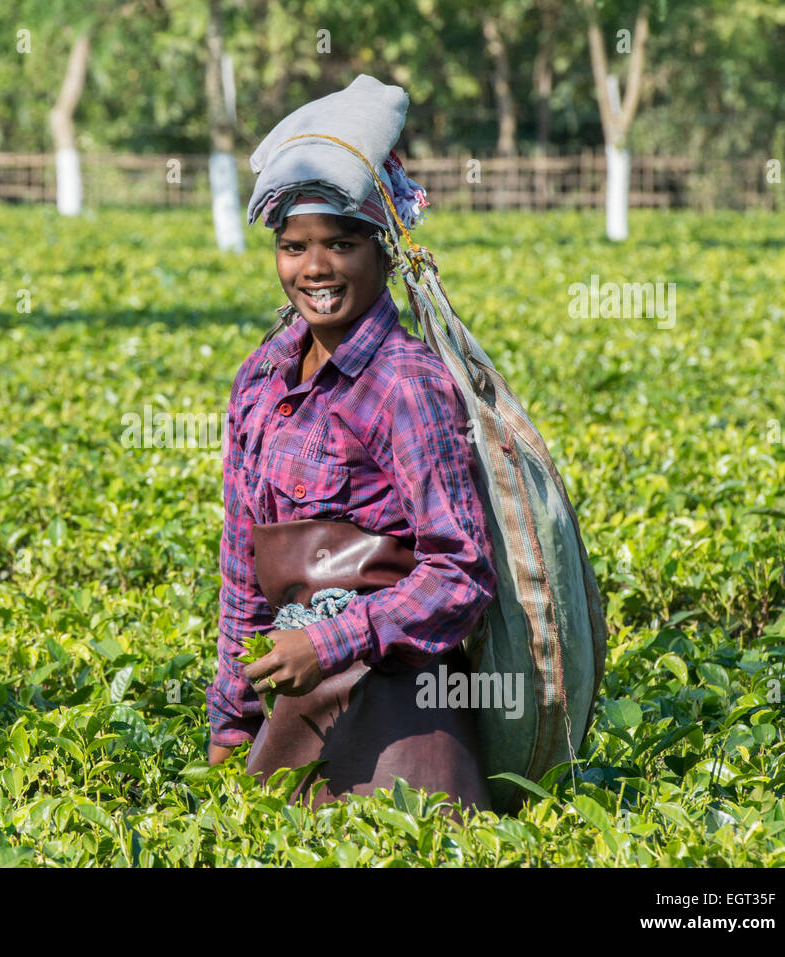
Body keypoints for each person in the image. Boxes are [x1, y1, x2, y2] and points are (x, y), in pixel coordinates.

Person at [205, 150, 500, 813]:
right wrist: (230, 722)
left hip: (403, 715)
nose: (314, 266)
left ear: (383, 255)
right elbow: (243, 573)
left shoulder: (406, 382)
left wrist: (331, 639)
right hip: (295, 711)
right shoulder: (260, 379)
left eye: (341, 243)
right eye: (294, 246)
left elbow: (462, 570)